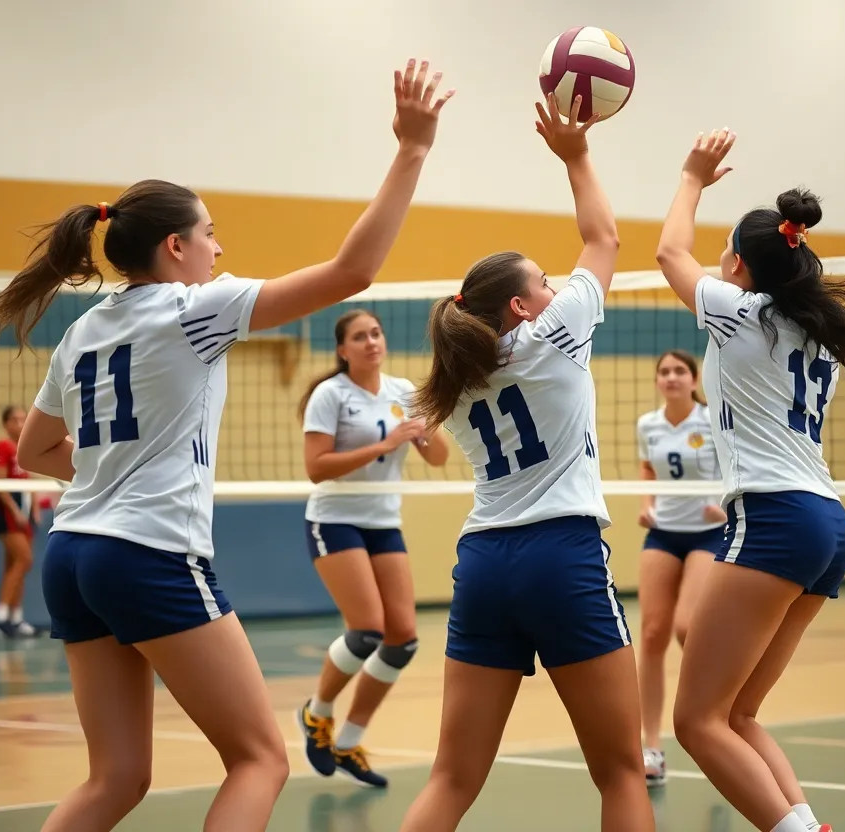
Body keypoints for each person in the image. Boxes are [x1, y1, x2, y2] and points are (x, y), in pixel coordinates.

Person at [0, 60, 453, 832]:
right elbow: (354, 270)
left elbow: (36, 449)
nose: (219, 250)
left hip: (71, 552)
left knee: (116, 779)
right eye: (209, 234)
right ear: (174, 246)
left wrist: (106, 474)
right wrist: (413, 150)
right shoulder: (195, 310)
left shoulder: (82, 331)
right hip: (147, 553)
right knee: (260, 759)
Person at [396, 94, 652, 832]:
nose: (554, 289)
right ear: (518, 307)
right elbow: (603, 237)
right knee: (622, 773)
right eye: (542, 282)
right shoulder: (555, 336)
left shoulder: (453, 381)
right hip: (559, 554)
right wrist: (575, 155)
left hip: (481, 562)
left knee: (451, 778)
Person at [655, 129, 845, 832]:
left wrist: (692, 177)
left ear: (738, 265)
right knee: (736, 714)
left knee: (697, 722)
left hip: (774, 517)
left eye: (725, 255)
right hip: (828, 523)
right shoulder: (812, 330)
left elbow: (669, 252)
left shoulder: (738, 315)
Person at [295, 308, 449, 787]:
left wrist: (424, 433)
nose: (371, 342)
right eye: (359, 337)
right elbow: (316, 467)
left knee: (402, 639)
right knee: (366, 631)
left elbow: (440, 457)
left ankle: (348, 741)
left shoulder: (404, 392)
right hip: (336, 518)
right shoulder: (331, 394)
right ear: (343, 350)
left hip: (383, 521)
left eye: (376, 333)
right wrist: (384, 445)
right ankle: (317, 714)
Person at [635, 348, 724, 786]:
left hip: (708, 533)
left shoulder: (713, 421)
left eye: (679, 371)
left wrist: (725, 508)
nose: (670, 377)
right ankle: (651, 745)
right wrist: (646, 505)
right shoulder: (648, 425)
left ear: (694, 380)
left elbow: (738, 469)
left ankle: (714, 716)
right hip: (664, 531)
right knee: (651, 633)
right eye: (664, 371)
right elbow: (648, 469)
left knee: (687, 627)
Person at [0, 404, 44, 637]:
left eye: (24, 419)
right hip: (6, 514)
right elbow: (0, 486)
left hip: (24, 514)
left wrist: (35, 506)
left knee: (14, 565)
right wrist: (16, 511)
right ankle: (0, 619)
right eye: (15, 420)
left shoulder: (24, 448)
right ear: (6, 424)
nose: (21, 424)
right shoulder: (2, 447)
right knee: (25, 560)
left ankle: (15, 618)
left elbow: (27, 481)